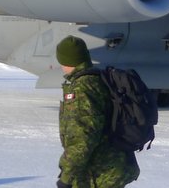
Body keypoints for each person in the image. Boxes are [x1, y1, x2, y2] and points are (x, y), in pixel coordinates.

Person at [56, 35, 139, 188]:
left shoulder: (82, 89)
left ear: (67, 61)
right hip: (115, 165)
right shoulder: (100, 78)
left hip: (98, 174)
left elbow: (82, 139)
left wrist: (66, 177)